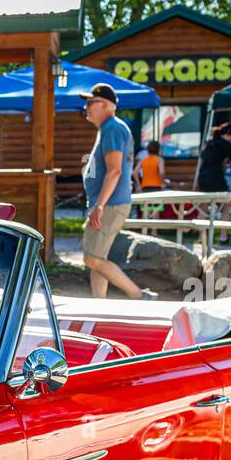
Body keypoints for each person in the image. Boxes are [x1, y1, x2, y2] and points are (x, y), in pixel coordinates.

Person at [79, 83, 154, 301]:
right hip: (107, 203)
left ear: (106, 105)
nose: (86, 106)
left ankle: (138, 295)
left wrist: (99, 205)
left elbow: (115, 170)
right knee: (97, 257)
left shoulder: (112, 128)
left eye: (91, 102)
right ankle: (99, 305)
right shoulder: (109, 128)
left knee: (92, 259)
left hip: (109, 204)